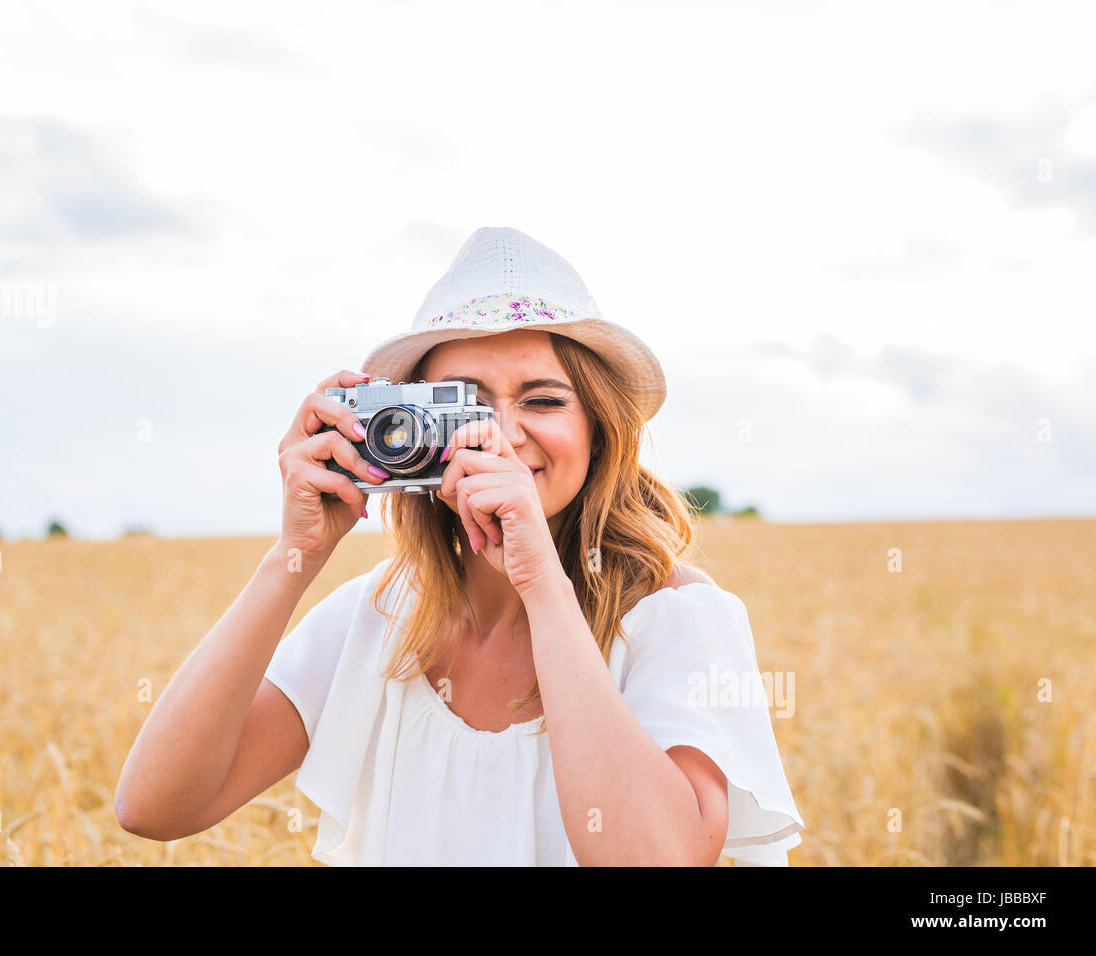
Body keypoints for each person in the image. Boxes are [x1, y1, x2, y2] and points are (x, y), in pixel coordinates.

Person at [114, 227, 805, 866]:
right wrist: (294, 558)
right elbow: (155, 806)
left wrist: (543, 586)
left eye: (542, 401)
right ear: (405, 430)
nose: (500, 436)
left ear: (600, 431)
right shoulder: (380, 617)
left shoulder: (677, 619)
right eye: (466, 405)